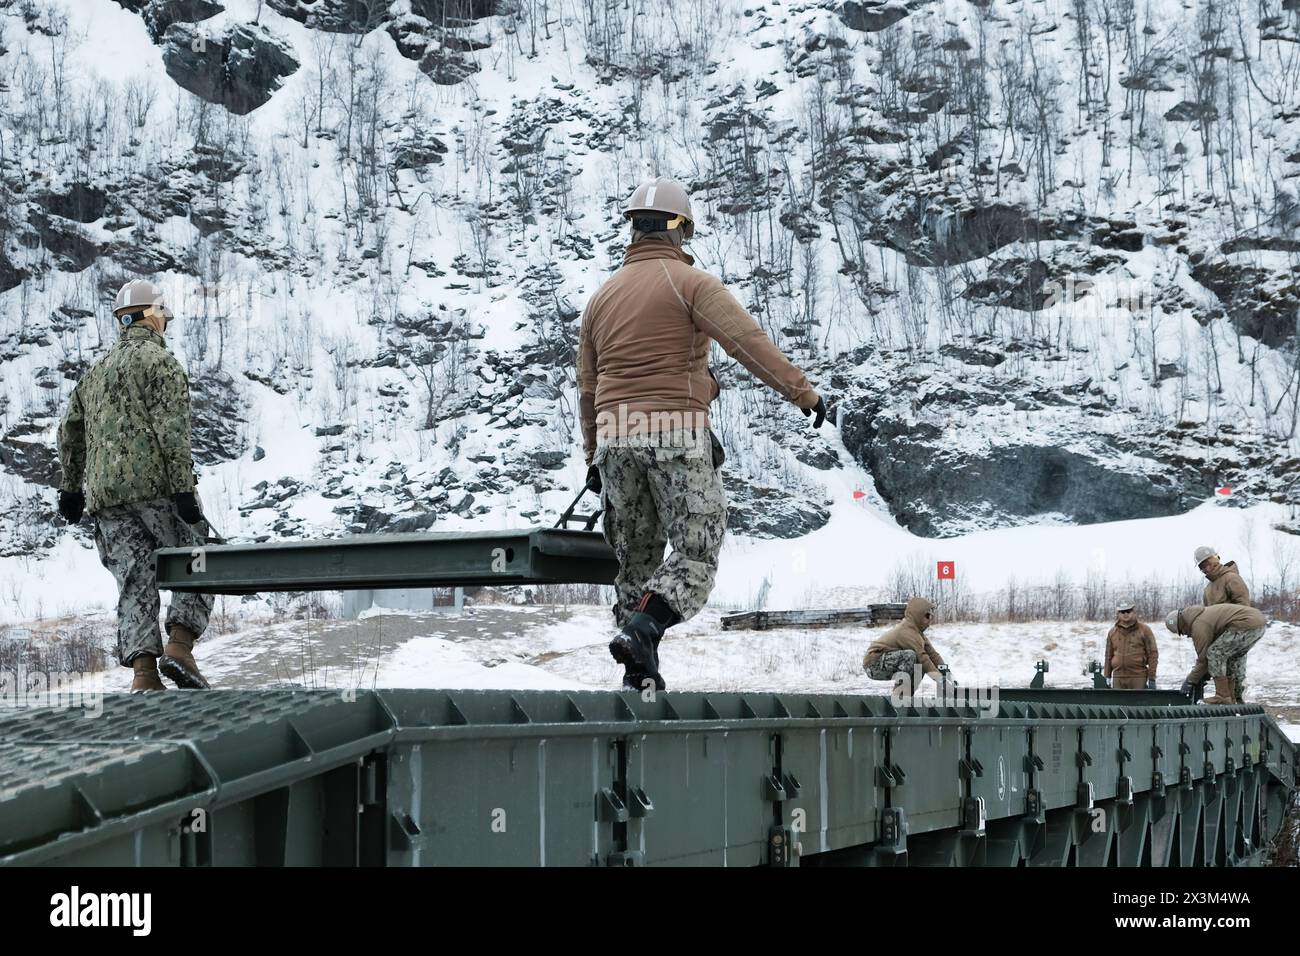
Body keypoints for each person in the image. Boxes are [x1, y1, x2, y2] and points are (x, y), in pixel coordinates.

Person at [577, 176, 826, 691]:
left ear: (633, 230)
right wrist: (804, 394)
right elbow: (747, 342)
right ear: (680, 229)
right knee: (696, 547)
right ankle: (645, 629)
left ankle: (638, 668)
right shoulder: (689, 284)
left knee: (637, 558)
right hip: (672, 429)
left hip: (614, 440)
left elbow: (586, 386)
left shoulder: (599, 300)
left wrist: (592, 456)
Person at [57, 279, 214, 692]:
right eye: (164, 314)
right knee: (201, 556)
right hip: (158, 489)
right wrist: (183, 492)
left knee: (134, 579)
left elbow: (69, 431)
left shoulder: (95, 372)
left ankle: (144, 675)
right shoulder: (160, 363)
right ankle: (180, 647)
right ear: (151, 314)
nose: (166, 322)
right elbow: (172, 433)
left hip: (106, 499)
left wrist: (71, 487)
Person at [1164, 604, 1267, 704]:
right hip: (1258, 624)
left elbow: (1203, 660)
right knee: (1231, 658)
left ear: (1182, 624)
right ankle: (1232, 697)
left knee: (1214, 653)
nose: (1185, 635)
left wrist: (1190, 681)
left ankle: (1222, 696)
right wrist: (1206, 673)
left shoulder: (1199, 625)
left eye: (1182, 632)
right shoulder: (1202, 615)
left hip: (1245, 623)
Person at [862, 597, 954, 691]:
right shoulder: (907, 632)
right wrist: (940, 680)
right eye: (927, 616)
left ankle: (906, 697)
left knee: (920, 665)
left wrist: (947, 674)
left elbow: (932, 654)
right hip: (873, 664)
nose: (929, 620)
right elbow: (923, 658)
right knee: (910, 656)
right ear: (918, 615)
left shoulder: (916, 632)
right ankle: (899, 696)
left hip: (886, 661)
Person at [1103, 599, 1158, 689]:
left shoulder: (1145, 630)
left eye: (1128, 611)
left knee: (1139, 702)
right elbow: (1108, 656)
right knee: (1118, 703)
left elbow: (1153, 654)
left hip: (1138, 677)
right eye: (1122, 611)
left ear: (1133, 611)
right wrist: (1107, 676)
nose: (1126, 614)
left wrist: (1152, 678)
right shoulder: (1112, 632)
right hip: (1118, 677)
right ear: (1118, 613)